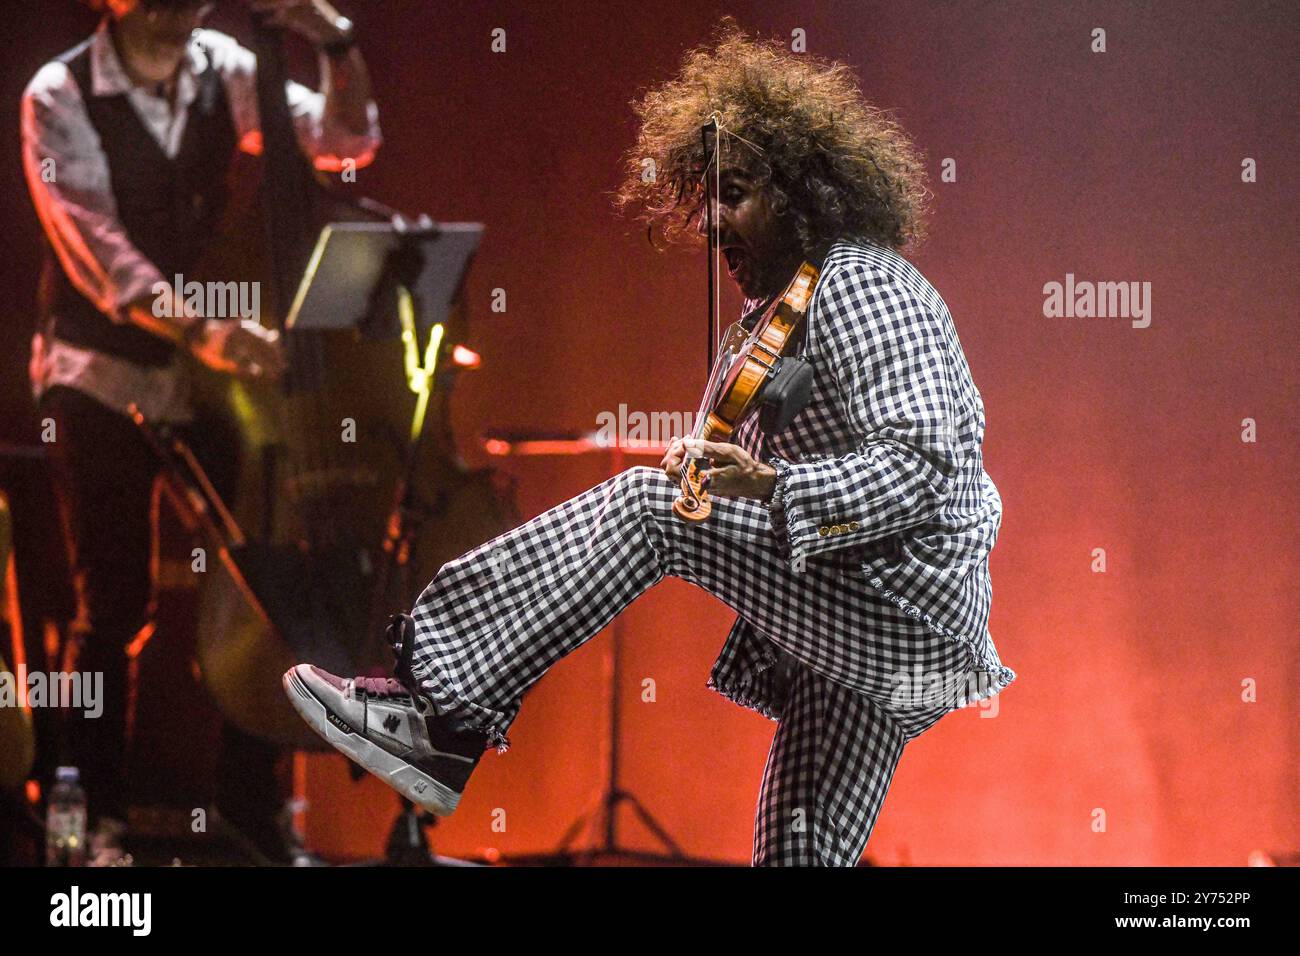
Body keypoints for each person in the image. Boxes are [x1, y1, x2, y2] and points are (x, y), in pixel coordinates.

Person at [284, 25, 1015, 866]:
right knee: (797, 853)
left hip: (902, 610)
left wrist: (770, 485)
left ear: (801, 192)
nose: (712, 223)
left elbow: (920, 468)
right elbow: (727, 483)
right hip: (857, 633)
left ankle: (438, 714)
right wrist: (717, 468)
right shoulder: (769, 325)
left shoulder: (862, 281)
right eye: (705, 198)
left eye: (735, 192)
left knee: (644, 507)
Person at [21, 0, 380, 862]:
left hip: (206, 380)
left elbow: (343, 142)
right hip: (96, 373)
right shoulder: (57, 92)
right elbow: (101, 256)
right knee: (113, 600)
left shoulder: (225, 64)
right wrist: (210, 328)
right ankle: (91, 821)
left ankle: (248, 810)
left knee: (262, 584)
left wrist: (331, 36)